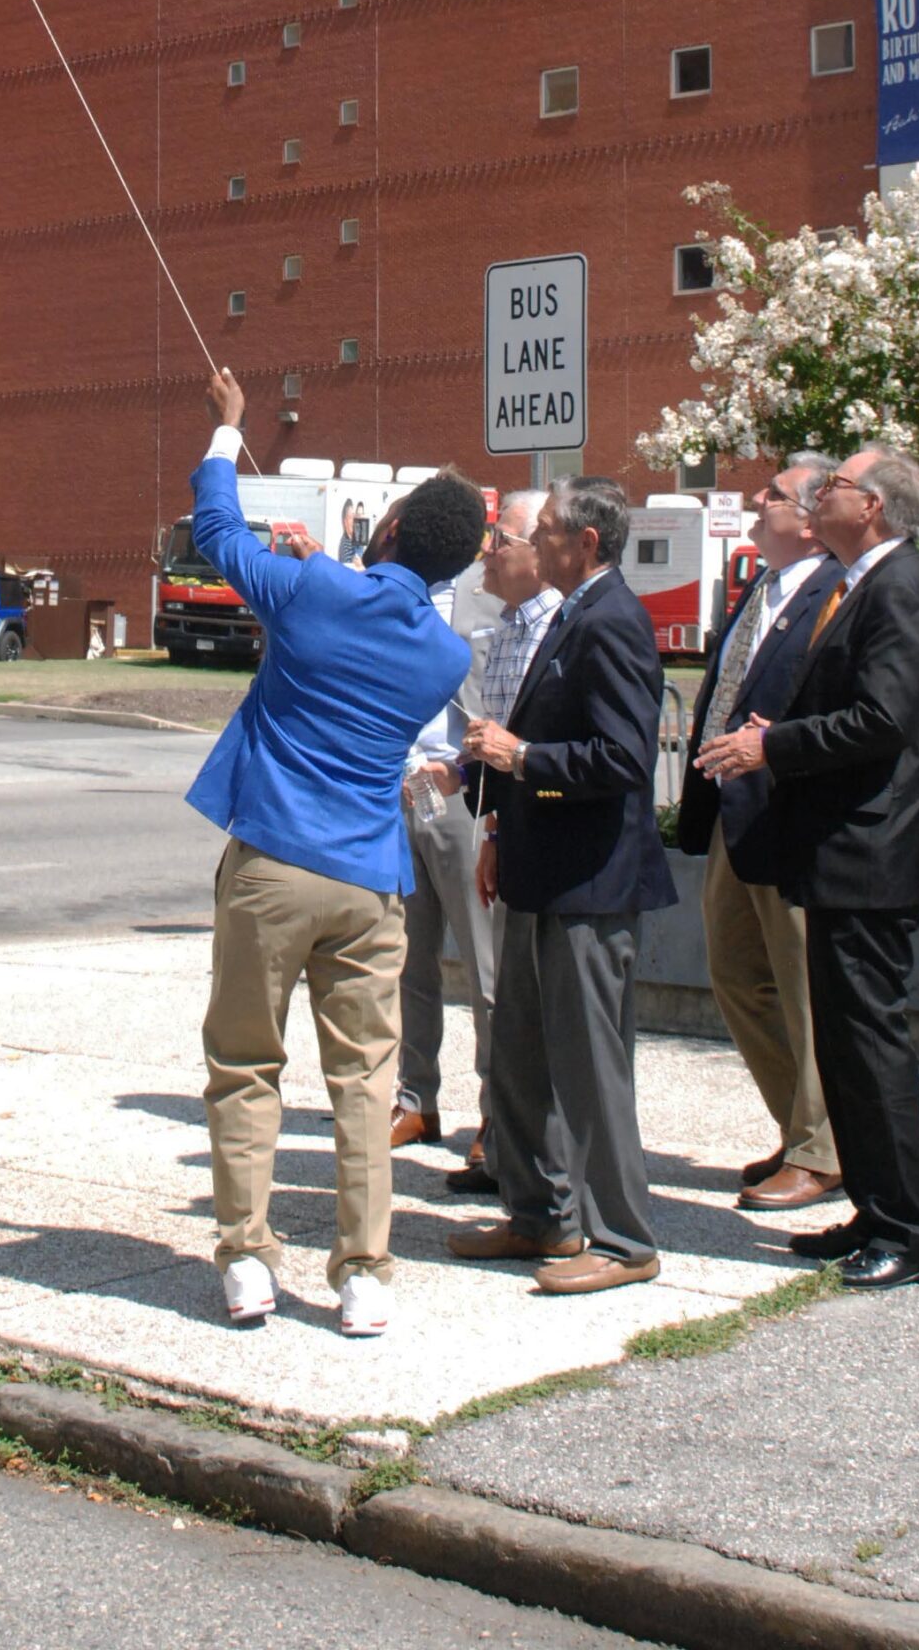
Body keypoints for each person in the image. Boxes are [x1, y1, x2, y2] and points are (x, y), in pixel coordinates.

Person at [185, 369, 483, 1337]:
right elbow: (368, 622)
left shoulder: (313, 589)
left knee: (243, 1062)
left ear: (384, 530)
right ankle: (363, 1272)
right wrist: (329, 572)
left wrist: (228, 432)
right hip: (367, 877)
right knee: (362, 1080)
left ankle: (245, 1258)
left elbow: (217, 536)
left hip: (271, 858)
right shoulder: (445, 654)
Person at [697, 445, 919, 1292]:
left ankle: (911, 1236)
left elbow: (880, 720)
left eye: (839, 486)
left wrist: (768, 744)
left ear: (875, 507)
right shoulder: (859, 581)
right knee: (844, 1046)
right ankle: (873, 1211)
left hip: (874, 854)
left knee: (870, 1043)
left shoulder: (903, 587)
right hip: (834, 849)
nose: (822, 498)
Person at [449, 477, 675, 1294]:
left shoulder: (613, 621)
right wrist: (502, 820)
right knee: (519, 1054)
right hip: (538, 873)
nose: (530, 543)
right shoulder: (573, 612)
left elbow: (625, 761)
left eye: (544, 532)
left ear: (585, 542)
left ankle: (621, 1241)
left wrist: (524, 759)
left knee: (588, 1065)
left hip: (591, 883)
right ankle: (540, 1217)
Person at [678, 456, 843, 1211]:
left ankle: (822, 1151)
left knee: (803, 985)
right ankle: (802, 1126)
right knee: (737, 974)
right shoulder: (761, 587)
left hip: (787, 813)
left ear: (809, 519)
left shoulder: (833, 592)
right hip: (729, 810)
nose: (754, 500)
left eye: (772, 495)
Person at [396, 493, 555, 1194]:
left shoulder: (491, 588)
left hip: (464, 786)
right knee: (407, 957)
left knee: (487, 971)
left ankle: (496, 1116)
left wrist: (488, 795)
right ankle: (413, 1099)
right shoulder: (398, 584)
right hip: (404, 784)